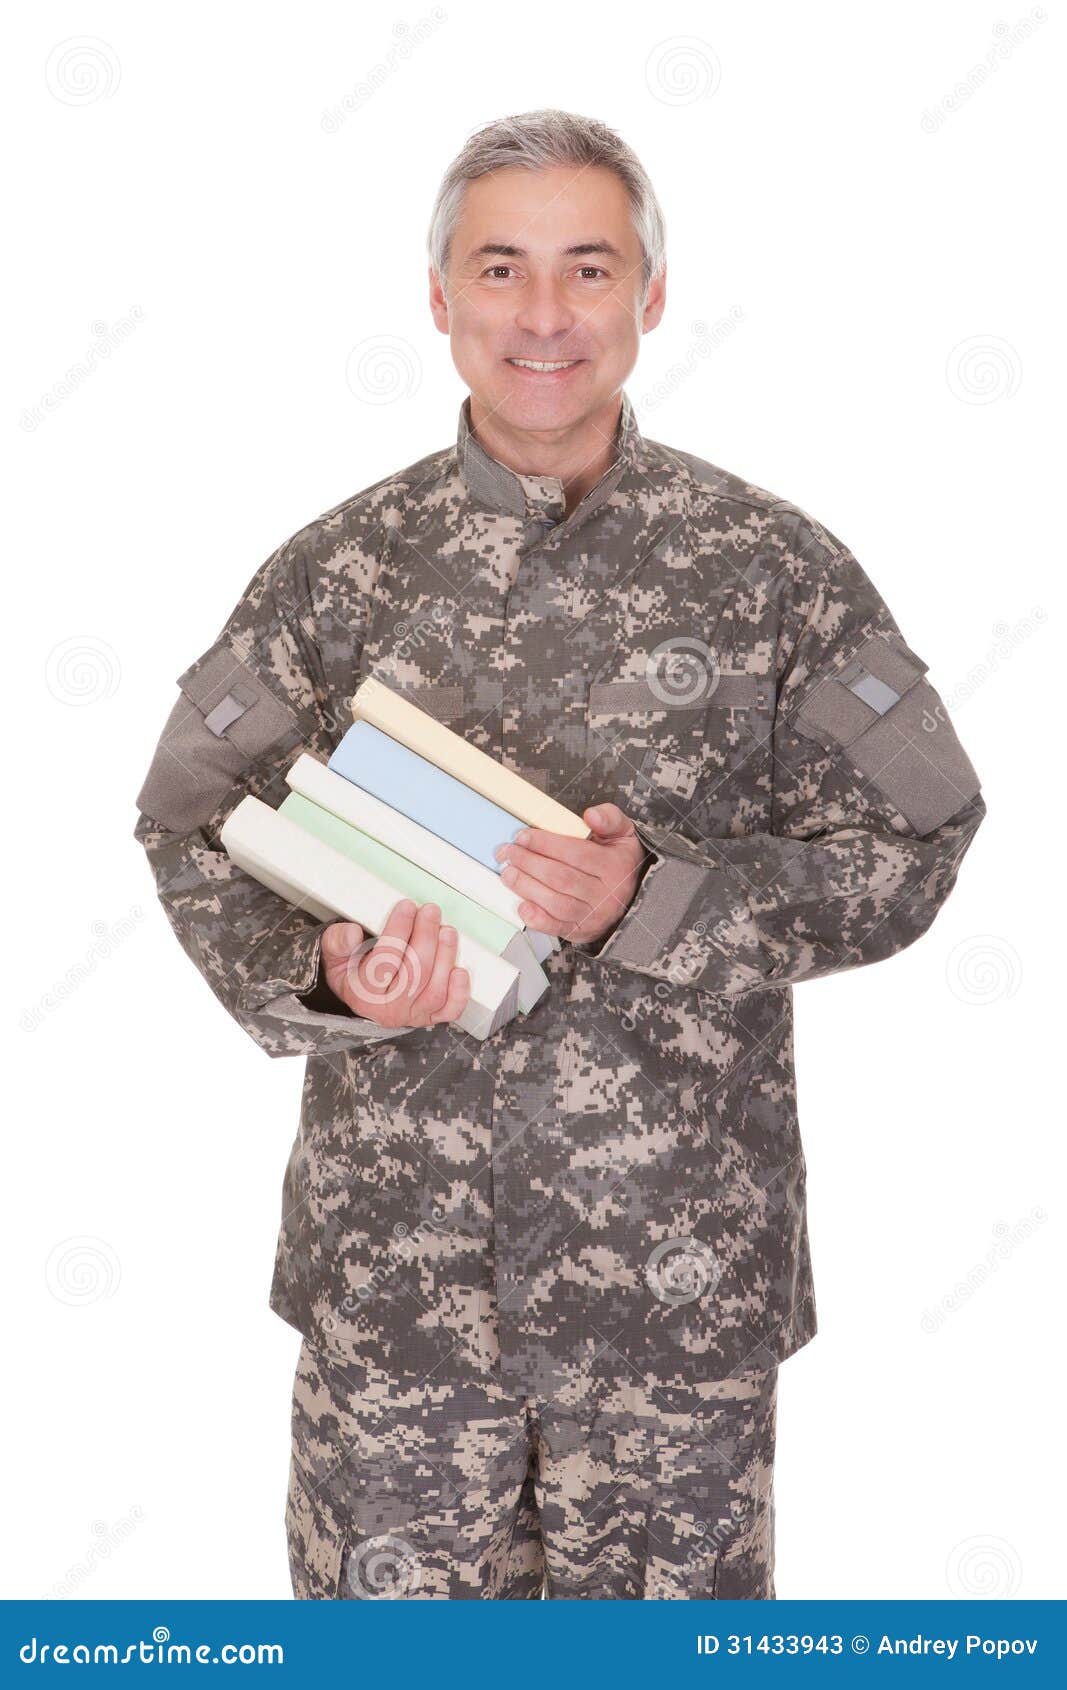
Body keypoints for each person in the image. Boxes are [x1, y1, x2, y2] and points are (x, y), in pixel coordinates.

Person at [132, 109, 986, 1600]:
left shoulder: (774, 570)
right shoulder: (338, 571)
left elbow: (918, 837)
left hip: (675, 1305)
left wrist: (661, 897)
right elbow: (188, 819)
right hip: (400, 1301)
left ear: (651, 295)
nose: (544, 317)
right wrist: (323, 969)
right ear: (439, 297)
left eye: (588, 270)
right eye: (501, 269)